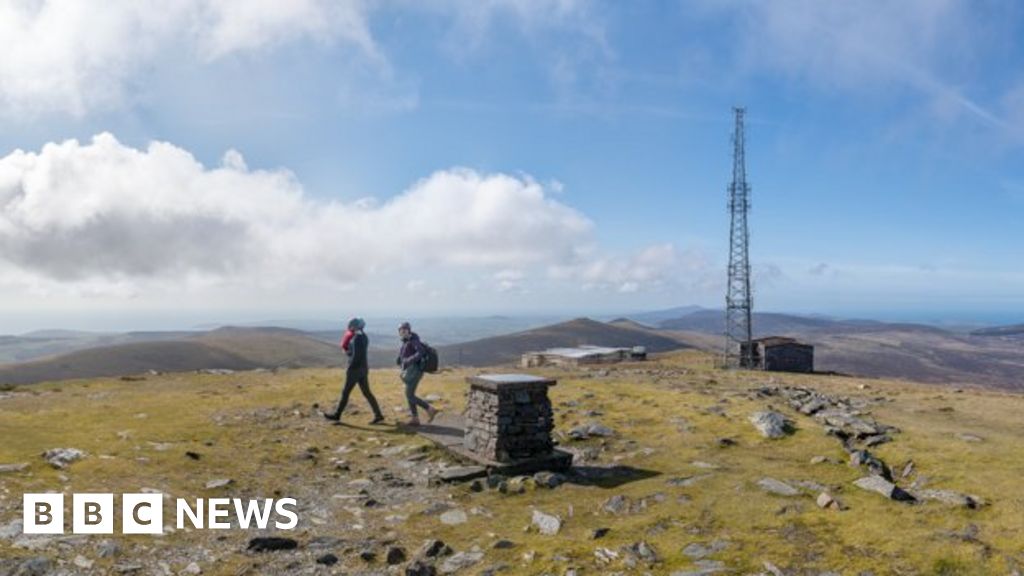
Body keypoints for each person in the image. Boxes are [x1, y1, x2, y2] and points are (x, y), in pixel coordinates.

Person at [323, 318, 385, 425]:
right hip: (363, 369)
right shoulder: (364, 336)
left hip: (355, 370)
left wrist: (349, 366)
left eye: (351, 325)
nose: (350, 327)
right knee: (367, 393)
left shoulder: (356, 338)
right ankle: (378, 415)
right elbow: (359, 353)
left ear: (356, 326)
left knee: (345, 392)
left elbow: (356, 356)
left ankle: (337, 415)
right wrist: (349, 352)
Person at [397, 321, 438, 426]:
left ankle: (429, 408)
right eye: (401, 331)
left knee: (409, 395)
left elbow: (420, 352)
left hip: (415, 372)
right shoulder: (406, 340)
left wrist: (408, 360)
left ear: (409, 330)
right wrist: (400, 359)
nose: (402, 332)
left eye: (404, 330)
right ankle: (415, 418)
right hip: (410, 371)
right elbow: (405, 353)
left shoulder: (414, 340)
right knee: (409, 395)